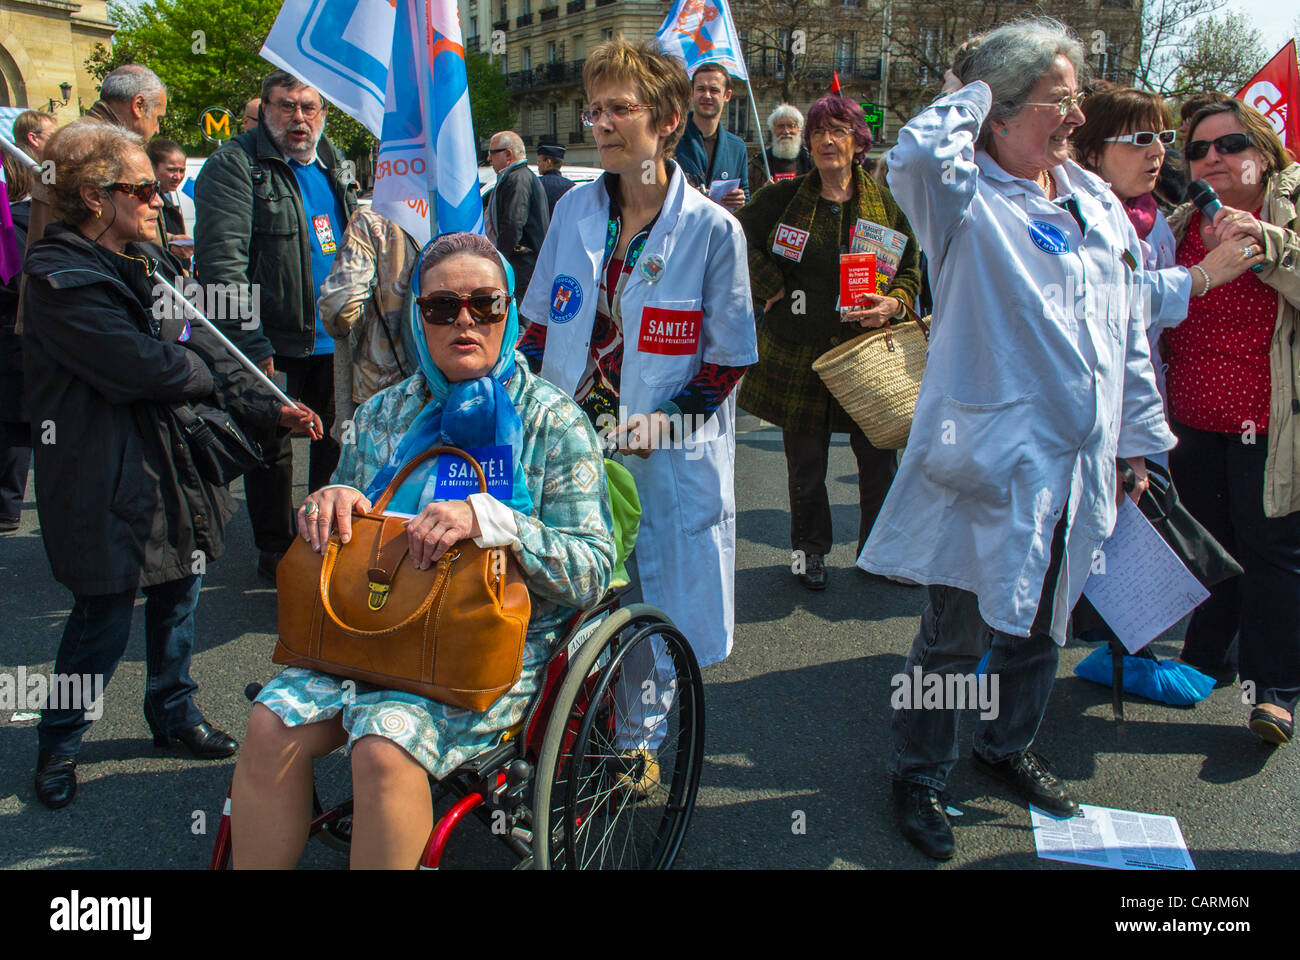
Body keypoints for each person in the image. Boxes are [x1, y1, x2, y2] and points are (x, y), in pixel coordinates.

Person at [861, 18, 1176, 860]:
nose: (1078, 117)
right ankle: (919, 771)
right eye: (1061, 100)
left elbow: (1126, 334)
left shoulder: (1094, 200)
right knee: (953, 635)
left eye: (1076, 99)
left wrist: (1134, 446)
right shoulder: (960, 203)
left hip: (1079, 464)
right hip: (988, 466)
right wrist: (976, 84)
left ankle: (1004, 748)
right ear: (997, 117)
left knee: (1042, 623)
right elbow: (920, 153)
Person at [229, 232, 615, 868]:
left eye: (485, 305)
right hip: (372, 628)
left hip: (485, 646)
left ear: (510, 311)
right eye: (442, 307)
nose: (465, 320)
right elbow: (345, 521)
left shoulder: (554, 421)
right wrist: (330, 503)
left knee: (382, 742)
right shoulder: (383, 414)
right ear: (418, 317)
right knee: (270, 723)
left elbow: (592, 572)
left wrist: (492, 520)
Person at [21, 120, 321, 809]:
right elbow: (143, 367)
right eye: (145, 188)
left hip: (170, 465)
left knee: (178, 594)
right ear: (96, 198)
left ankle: (174, 713)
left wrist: (264, 403)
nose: (160, 198)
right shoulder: (60, 277)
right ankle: (59, 743)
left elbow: (203, 345)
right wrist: (193, 368)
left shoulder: (150, 262)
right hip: (102, 474)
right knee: (101, 615)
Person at [519, 39, 757, 764]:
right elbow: (534, 329)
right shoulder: (573, 214)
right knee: (569, 598)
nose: (601, 123)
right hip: (572, 449)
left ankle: (634, 752)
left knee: (650, 611)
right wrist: (524, 407)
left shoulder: (714, 231)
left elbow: (729, 359)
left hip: (662, 458)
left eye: (619, 108)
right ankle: (556, 732)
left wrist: (669, 419)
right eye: (595, 109)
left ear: (669, 119)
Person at [736, 94, 920, 592]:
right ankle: (809, 553)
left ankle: (880, 551)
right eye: (818, 132)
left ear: (859, 141)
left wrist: (894, 304)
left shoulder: (885, 204)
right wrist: (768, 283)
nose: (825, 140)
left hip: (866, 358)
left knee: (879, 458)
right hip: (801, 356)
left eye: (837, 130)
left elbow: (911, 268)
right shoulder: (784, 196)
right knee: (807, 465)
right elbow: (733, 236)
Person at [1161, 97, 1300, 745]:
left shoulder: (1287, 213)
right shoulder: (1183, 219)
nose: (1212, 157)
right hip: (1192, 421)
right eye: (1198, 149)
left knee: (1269, 554)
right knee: (1209, 550)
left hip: (1268, 425)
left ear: (1265, 154)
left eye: (1231, 145)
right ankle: (1205, 659)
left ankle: (1275, 691)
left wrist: (1261, 242)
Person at [194, 69, 358, 580]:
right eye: (287, 106)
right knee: (270, 447)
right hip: (272, 341)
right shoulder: (235, 165)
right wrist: (247, 342)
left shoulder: (332, 164)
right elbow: (222, 266)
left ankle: (324, 537)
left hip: (334, 339)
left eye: (309, 108)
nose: (299, 118)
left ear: (324, 115)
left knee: (334, 439)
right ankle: (276, 550)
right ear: (265, 109)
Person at [1071, 88, 1263, 432]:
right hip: (1087, 407)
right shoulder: (1069, 216)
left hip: (1157, 411)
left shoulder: (1157, 220)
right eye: (1141, 138)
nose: (1159, 151)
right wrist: (1200, 277)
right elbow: (1104, 301)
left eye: (1163, 137)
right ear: (1094, 152)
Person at [24, 65, 169, 270]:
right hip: (87, 285)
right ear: (139, 105)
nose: (156, 128)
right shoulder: (81, 147)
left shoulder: (71, 141)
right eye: (158, 118)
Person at [317, 208, 418, 434]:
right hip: (449, 388)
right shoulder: (460, 206)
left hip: (384, 391)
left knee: (379, 467)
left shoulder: (373, 220)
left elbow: (339, 308)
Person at [0, 110, 54, 534]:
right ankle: (9, 501)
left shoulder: (20, 221)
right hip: (19, 332)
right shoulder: (22, 221)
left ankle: (8, 502)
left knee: (19, 419)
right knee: (20, 419)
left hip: (19, 332)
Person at [675, 62, 749, 210]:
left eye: (714, 90)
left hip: (719, 231)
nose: (707, 95)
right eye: (701, 89)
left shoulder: (737, 147)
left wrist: (741, 200)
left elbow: (746, 195)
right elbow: (651, 189)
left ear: (727, 95)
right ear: (692, 93)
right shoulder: (671, 139)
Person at [483, 130, 549, 299]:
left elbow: (513, 223)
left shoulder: (518, 178)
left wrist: (501, 258)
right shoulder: (514, 177)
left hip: (521, 263)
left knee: (519, 313)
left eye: (492, 153)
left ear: (508, 154)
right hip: (520, 261)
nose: (489, 159)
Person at [146, 137, 193, 269]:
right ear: (153, 167)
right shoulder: (144, 201)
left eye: (181, 170)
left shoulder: (167, 197)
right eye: (171, 170)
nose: (177, 176)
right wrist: (170, 241)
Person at [749, 104, 813, 191]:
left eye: (791, 126)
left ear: (799, 129)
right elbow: (747, 200)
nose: (786, 131)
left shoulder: (811, 162)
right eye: (780, 126)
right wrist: (763, 194)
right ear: (773, 130)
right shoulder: (758, 164)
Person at [536, 142, 575, 215]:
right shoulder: (572, 187)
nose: (537, 164)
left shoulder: (535, 183)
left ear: (548, 162)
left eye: (539, 161)